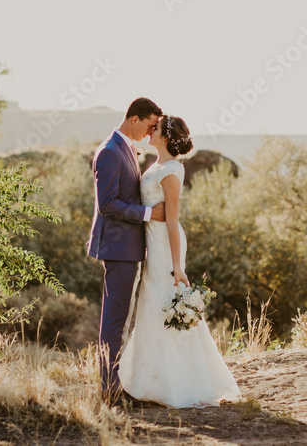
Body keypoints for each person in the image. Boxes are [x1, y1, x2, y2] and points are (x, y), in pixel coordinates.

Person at [118, 114, 242, 408]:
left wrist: (178, 267)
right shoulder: (156, 164)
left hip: (166, 248)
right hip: (151, 246)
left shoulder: (172, 170)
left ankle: (181, 383)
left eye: (156, 128)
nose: (151, 131)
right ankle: (149, 379)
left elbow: (173, 222)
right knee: (151, 309)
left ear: (166, 137)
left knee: (166, 307)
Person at [86, 97, 165, 400]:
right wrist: (148, 214)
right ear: (134, 119)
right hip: (117, 248)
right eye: (148, 126)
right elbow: (107, 204)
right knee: (114, 319)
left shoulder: (126, 148)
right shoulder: (109, 152)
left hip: (128, 247)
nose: (149, 133)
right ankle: (108, 389)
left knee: (121, 317)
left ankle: (117, 381)